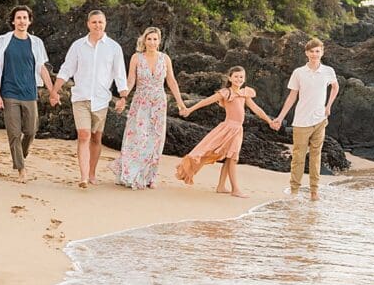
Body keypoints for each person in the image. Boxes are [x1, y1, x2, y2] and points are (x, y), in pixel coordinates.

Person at [51, 10, 128, 188]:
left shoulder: (113, 47)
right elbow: (66, 69)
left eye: (100, 22)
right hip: (81, 97)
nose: (97, 25)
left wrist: (123, 97)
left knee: (96, 138)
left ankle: (92, 172)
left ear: (105, 23)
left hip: (101, 100)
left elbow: (119, 74)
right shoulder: (78, 46)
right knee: (84, 135)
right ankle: (84, 176)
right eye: (94, 22)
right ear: (88, 24)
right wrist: (55, 90)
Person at [176, 66, 274, 198]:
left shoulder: (244, 94)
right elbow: (206, 101)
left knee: (230, 159)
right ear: (230, 78)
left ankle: (221, 186)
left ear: (244, 79)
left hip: (238, 129)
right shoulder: (226, 93)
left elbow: (257, 109)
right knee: (232, 158)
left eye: (241, 77)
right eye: (236, 76)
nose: (239, 79)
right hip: (228, 128)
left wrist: (269, 121)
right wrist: (190, 109)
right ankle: (235, 189)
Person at [109, 27, 186, 189]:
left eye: (155, 39)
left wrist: (180, 102)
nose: (152, 42)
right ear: (144, 40)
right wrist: (123, 98)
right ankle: (131, 174)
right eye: (149, 39)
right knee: (138, 137)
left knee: (155, 139)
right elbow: (131, 81)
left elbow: (171, 81)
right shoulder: (136, 58)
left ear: (159, 41)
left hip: (159, 102)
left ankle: (149, 176)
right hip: (140, 102)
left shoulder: (165, 59)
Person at [0, 5, 60, 182]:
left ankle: (20, 155)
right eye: (18, 18)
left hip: (29, 92)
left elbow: (42, 68)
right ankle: (21, 168)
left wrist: (52, 91)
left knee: (30, 131)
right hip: (9, 92)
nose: (21, 21)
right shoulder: (3, 40)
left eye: (25, 18)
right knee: (14, 133)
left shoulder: (36, 43)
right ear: (13, 21)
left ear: (29, 21)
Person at [271, 37, 340, 201]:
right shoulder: (299, 72)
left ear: (322, 52)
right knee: (298, 157)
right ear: (306, 53)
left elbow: (335, 87)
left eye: (318, 51)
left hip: (320, 120)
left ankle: (314, 192)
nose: (315, 54)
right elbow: (292, 97)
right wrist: (280, 117)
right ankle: (294, 190)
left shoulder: (328, 71)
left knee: (316, 157)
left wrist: (328, 106)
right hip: (301, 122)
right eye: (312, 51)